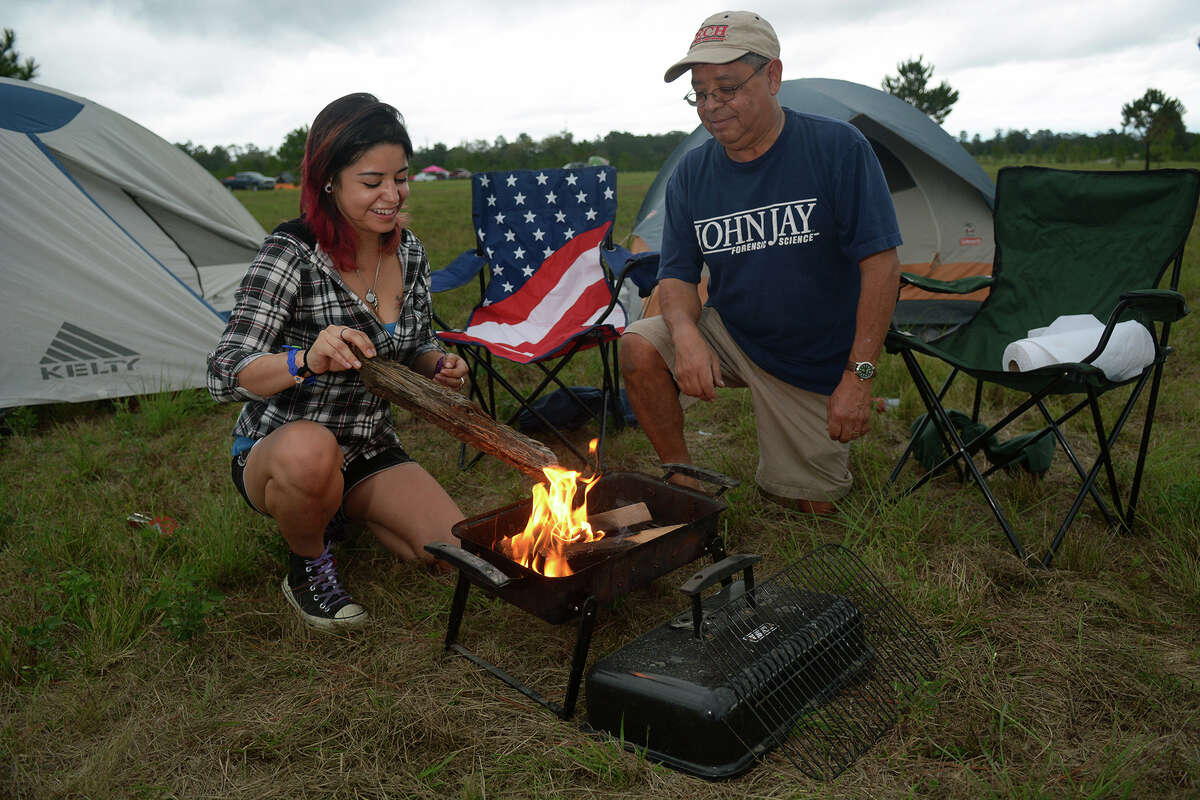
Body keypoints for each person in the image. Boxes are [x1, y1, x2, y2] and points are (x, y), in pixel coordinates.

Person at [621, 11, 902, 514]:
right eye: (699, 94)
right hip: (732, 332)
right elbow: (678, 275)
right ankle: (683, 480)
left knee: (812, 509)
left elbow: (881, 266)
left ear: (772, 76)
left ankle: (799, 442)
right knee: (638, 346)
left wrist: (858, 378)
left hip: (811, 357)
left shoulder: (837, 148)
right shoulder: (692, 173)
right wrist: (685, 337)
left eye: (727, 89)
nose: (711, 107)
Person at [207, 93, 469, 631]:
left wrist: (437, 364)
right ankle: (307, 565)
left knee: (451, 552)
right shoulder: (292, 253)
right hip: (284, 448)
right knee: (310, 451)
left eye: (401, 178)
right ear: (329, 181)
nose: (392, 195)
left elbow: (416, 343)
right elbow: (225, 370)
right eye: (372, 182)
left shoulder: (409, 252)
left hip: (367, 444)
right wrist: (305, 359)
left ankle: (338, 508)